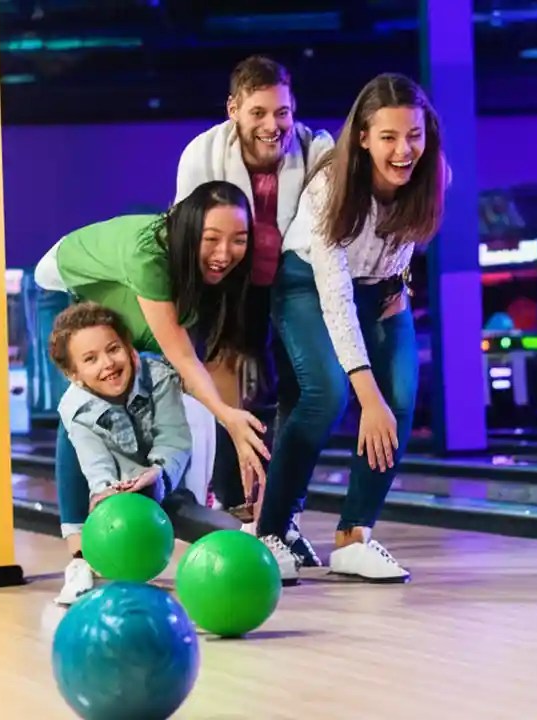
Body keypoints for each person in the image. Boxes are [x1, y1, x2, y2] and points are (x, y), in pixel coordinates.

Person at [33, 180, 269, 601]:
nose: (224, 252)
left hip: (119, 295)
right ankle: (80, 559)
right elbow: (183, 359)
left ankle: (156, 499)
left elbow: (205, 369)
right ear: (188, 230)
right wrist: (228, 420)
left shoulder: (209, 277)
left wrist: (235, 428)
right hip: (64, 289)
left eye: (238, 240)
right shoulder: (150, 257)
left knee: (152, 398)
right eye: (211, 238)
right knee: (82, 410)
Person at [258, 73, 448, 583]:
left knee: (402, 400)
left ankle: (354, 536)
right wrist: (368, 393)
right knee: (327, 393)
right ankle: (271, 532)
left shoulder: (434, 178)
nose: (403, 149)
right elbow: (336, 296)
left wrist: (392, 304)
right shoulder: (331, 187)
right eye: (388, 137)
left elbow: (398, 255)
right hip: (305, 285)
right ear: (362, 137)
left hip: (383, 291)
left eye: (413, 135)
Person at [174, 55, 334, 570]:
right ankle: (235, 509)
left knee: (300, 395)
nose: (273, 125)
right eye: (259, 112)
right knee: (231, 397)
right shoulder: (201, 153)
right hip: (227, 285)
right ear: (234, 109)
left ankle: (282, 520)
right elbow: (192, 241)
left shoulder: (316, 149)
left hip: (294, 283)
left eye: (282, 112)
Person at [48, 302, 210, 604]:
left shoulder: (159, 376)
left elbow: (174, 438)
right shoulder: (75, 409)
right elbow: (95, 463)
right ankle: (80, 559)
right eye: (90, 359)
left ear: (130, 349)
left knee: (226, 532)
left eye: (113, 349)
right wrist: (107, 493)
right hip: (118, 487)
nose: (107, 363)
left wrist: (158, 473)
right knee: (67, 433)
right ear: (74, 374)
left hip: (163, 476)